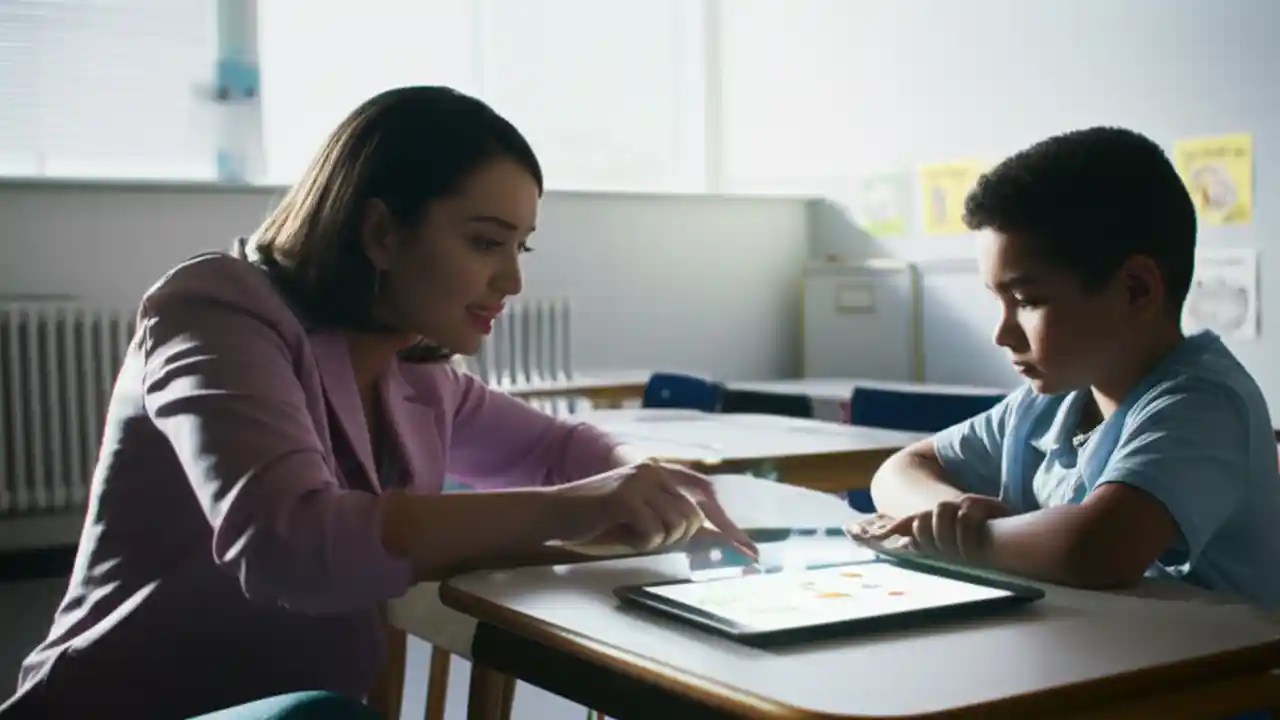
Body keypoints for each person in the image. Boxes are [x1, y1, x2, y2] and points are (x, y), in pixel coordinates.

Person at [1, 86, 755, 719]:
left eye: (520, 247)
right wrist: (573, 509)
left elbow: (561, 450)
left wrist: (646, 478)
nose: (512, 281)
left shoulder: (418, 375)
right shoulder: (213, 308)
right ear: (382, 232)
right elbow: (291, 546)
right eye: (486, 242)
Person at [854, 127, 1280, 607]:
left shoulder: (1204, 404)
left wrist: (972, 539)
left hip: (1224, 657)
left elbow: (1096, 548)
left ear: (1136, 289)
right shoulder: (1047, 406)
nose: (1002, 334)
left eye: (1026, 300)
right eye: (997, 301)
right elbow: (900, 470)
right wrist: (950, 515)